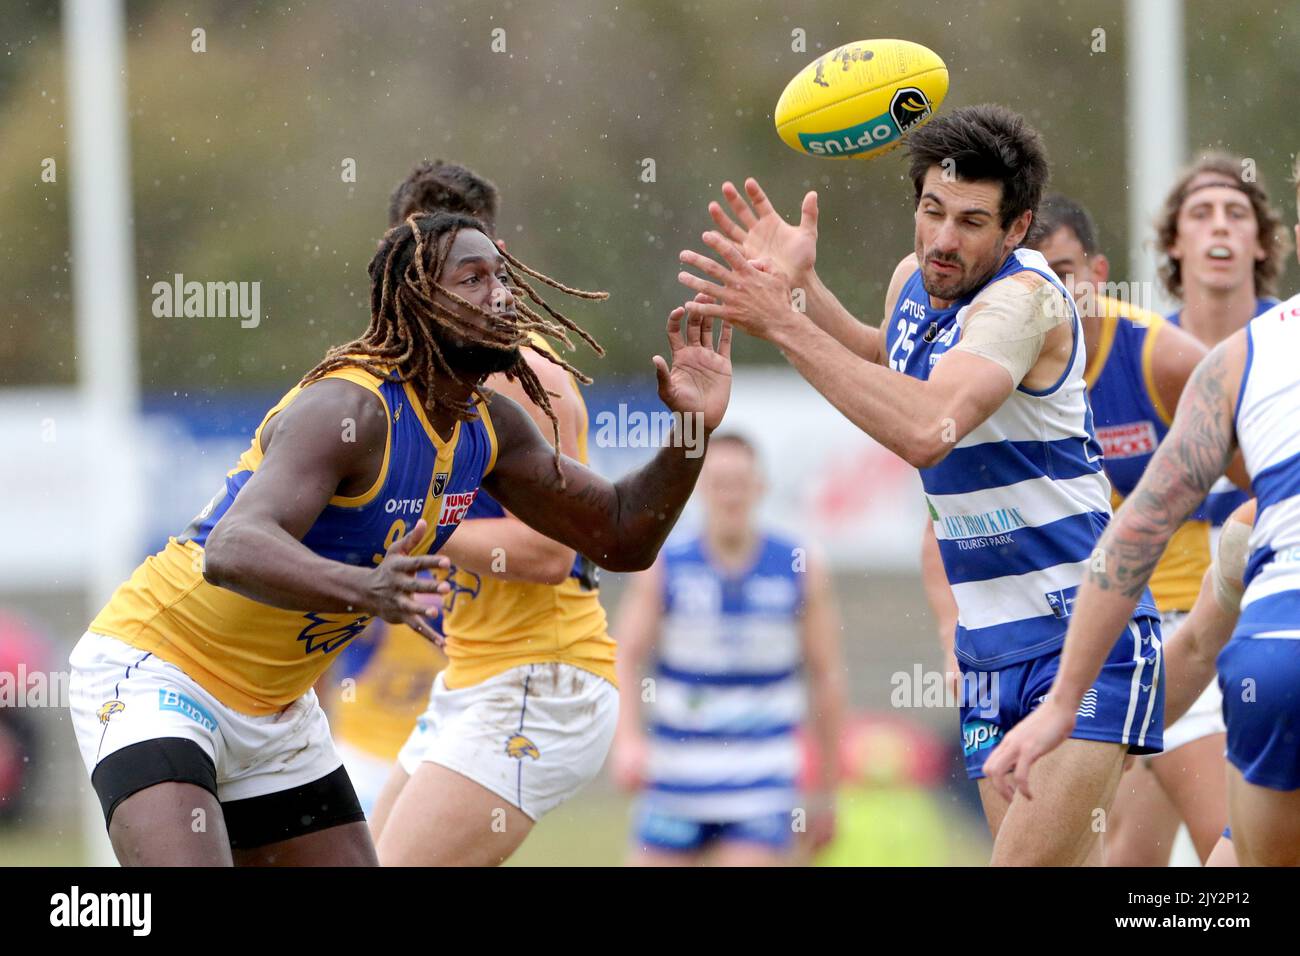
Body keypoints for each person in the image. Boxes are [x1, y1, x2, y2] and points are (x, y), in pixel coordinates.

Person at [67, 208, 732, 866]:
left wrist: (691, 433)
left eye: (502, 275)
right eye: (472, 279)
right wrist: (367, 587)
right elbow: (231, 548)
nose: (500, 293)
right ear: (418, 301)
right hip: (161, 671)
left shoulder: (487, 426)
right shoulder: (349, 408)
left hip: (274, 714)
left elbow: (619, 537)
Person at [677, 104, 1162, 865]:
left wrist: (785, 326)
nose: (942, 240)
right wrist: (800, 291)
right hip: (988, 651)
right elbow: (888, 366)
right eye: (932, 211)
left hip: (1082, 639)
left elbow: (926, 429)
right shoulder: (915, 279)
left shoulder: (1023, 299)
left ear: (1016, 229)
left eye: (972, 222)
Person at [985, 157, 1300, 868]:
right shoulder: (1170, 359)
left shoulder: (1216, 361)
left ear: (1272, 241)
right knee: (1127, 851)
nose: (1220, 226)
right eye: (1201, 212)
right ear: (1173, 246)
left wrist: (1067, 698)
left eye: (1237, 212)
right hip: (1165, 636)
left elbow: (1134, 536)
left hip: (1240, 636)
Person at [365, 161, 623, 866]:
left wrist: (416, 524)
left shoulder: (527, 378)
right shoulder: (425, 376)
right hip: (474, 679)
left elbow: (547, 554)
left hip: (544, 679)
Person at [1027, 194, 1227, 865]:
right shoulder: (1006, 366)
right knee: (1124, 858)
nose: (1055, 294)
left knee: (1233, 844)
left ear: (1099, 271)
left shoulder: (1159, 356)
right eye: (1038, 277)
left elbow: (1264, 463)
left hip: (1179, 630)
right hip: (1076, 644)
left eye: (1067, 272)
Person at [611, 433, 845, 865]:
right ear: (700, 488)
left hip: (761, 785)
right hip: (674, 778)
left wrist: (826, 791)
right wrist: (627, 740)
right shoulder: (665, 564)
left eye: (741, 482)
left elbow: (827, 677)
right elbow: (624, 656)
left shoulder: (799, 565)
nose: (731, 495)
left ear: (761, 487)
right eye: (720, 482)